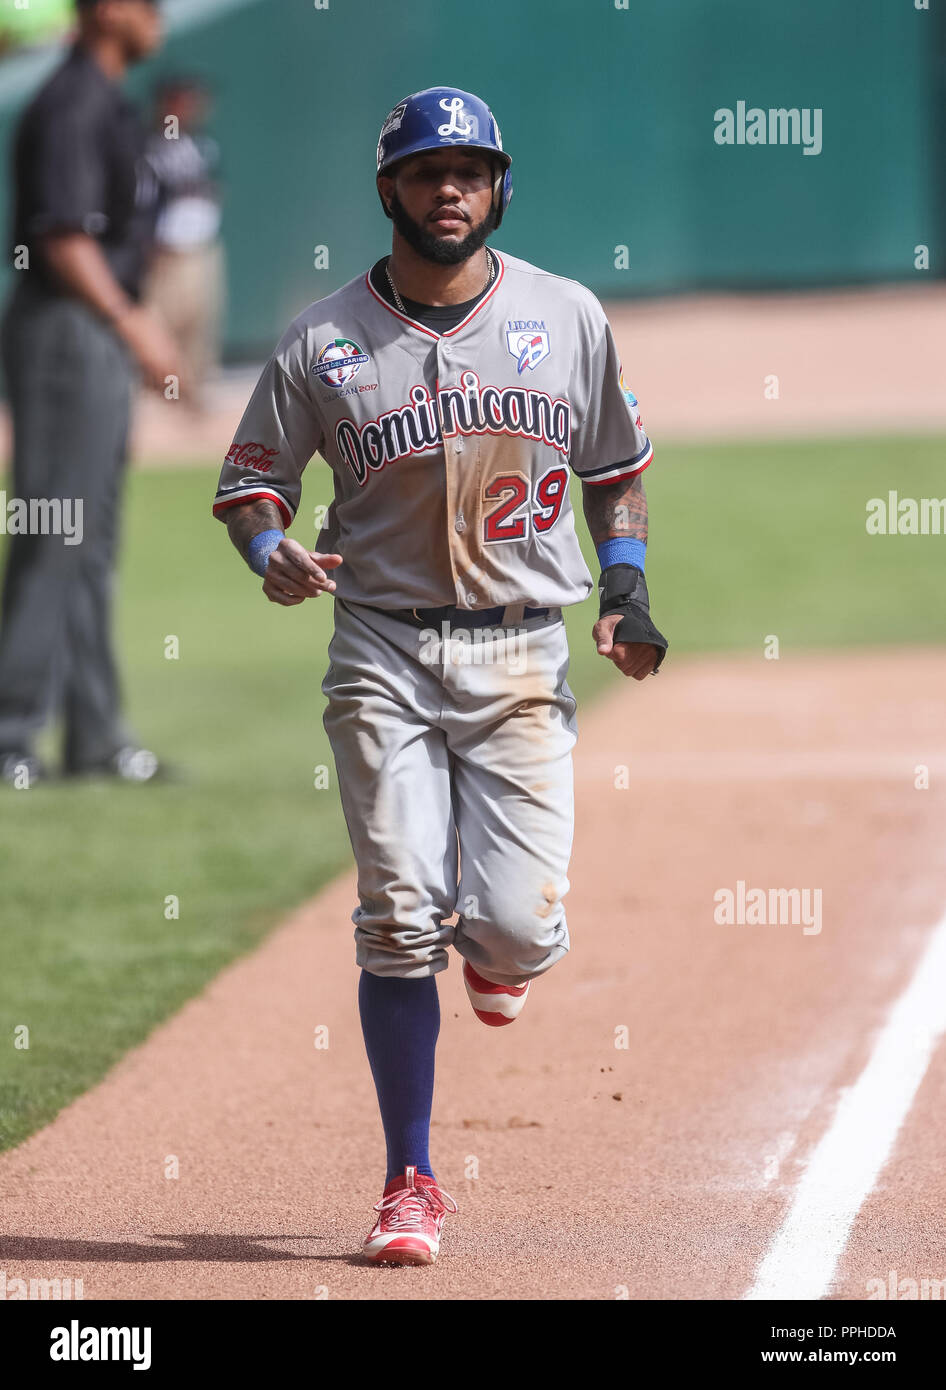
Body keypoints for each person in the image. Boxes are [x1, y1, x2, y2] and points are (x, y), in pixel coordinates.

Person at [214, 87, 668, 1265]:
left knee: (511, 930)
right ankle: (409, 1178)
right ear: (389, 191)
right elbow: (251, 477)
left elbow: (616, 470)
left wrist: (625, 592)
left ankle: (500, 957)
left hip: (522, 649)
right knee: (398, 914)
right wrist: (269, 547)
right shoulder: (322, 338)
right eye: (427, 171)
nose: (449, 189)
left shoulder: (565, 315)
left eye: (470, 169)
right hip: (382, 648)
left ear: (499, 186)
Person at [0, 0, 176, 787]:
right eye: (149, 6)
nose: (159, 21)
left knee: (91, 539)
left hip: (91, 333)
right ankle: (9, 735)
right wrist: (133, 324)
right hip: (66, 329)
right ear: (109, 10)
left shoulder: (107, 100)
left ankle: (95, 737)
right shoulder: (72, 98)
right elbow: (64, 235)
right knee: (53, 526)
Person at [142, 76, 224, 412]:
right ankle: (159, 405)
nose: (189, 108)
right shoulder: (147, 148)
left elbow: (215, 192)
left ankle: (193, 403)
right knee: (160, 330)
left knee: (200, 327)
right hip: (163, 255)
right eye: (181, 101)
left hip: (201, 250)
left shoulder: (203, 147)